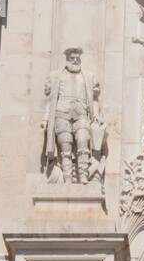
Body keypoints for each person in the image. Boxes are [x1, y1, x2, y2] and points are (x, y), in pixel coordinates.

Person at [44, 47, 105, 183]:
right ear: (67, 59)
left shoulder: (88, 76)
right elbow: (51, 99)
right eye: (72, 58)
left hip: (82, 114)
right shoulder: (56, 76)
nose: (75, 60)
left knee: (83, 141)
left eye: (77, 58)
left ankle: (83, 175)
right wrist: (45, 118)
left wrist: (96, 115)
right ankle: (67, 178)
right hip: (61, 114)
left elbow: (94, 99)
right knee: (65, 145)